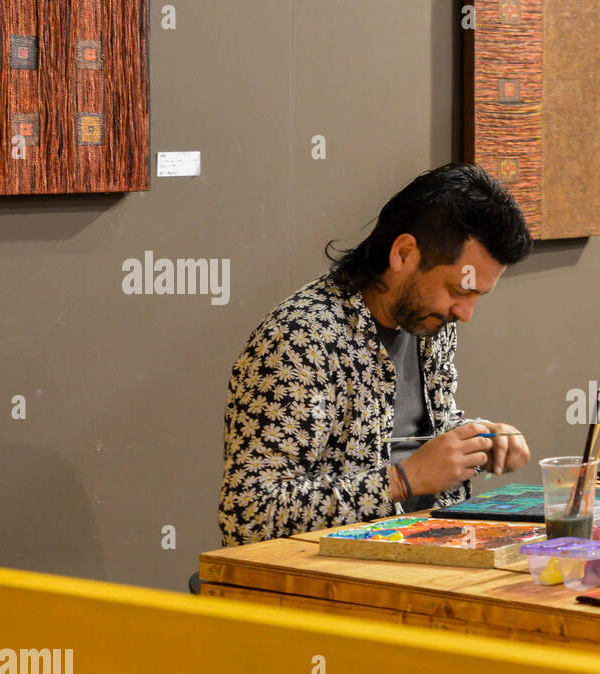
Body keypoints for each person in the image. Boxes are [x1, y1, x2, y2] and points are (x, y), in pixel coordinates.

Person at [218, 163, 534, 547]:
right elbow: (248, 514)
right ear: (403, 253)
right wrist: (402, 480)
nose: (465, 313)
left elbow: (413, 432)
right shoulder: (302, 338)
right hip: (325, 587)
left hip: (427, 557)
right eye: (458, 290)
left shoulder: (429, 324)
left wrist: (480, 440)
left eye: (477, 296)